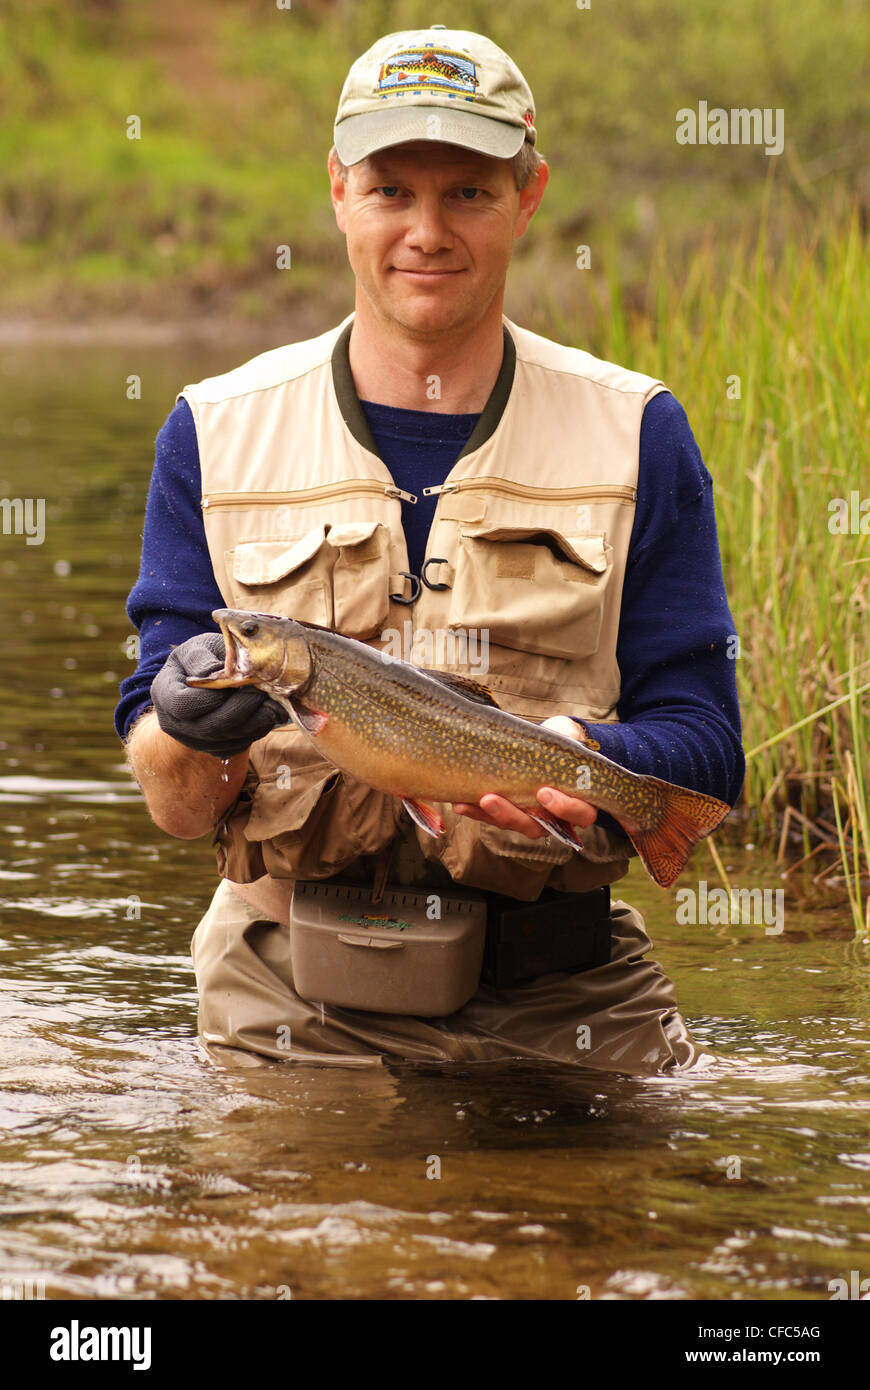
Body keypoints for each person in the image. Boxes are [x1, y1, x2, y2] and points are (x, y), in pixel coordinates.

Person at [115, 25, 744, 1072]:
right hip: (290, 995)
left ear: (530, 195)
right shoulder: (212, 431)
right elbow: (180, 810)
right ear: (337, 191)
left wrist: (602, 760)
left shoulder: (639, 432)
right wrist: (186, 724)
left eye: (469, 192)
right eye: (391, 189)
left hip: (565, 989)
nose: (426, 229)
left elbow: (707, 744)